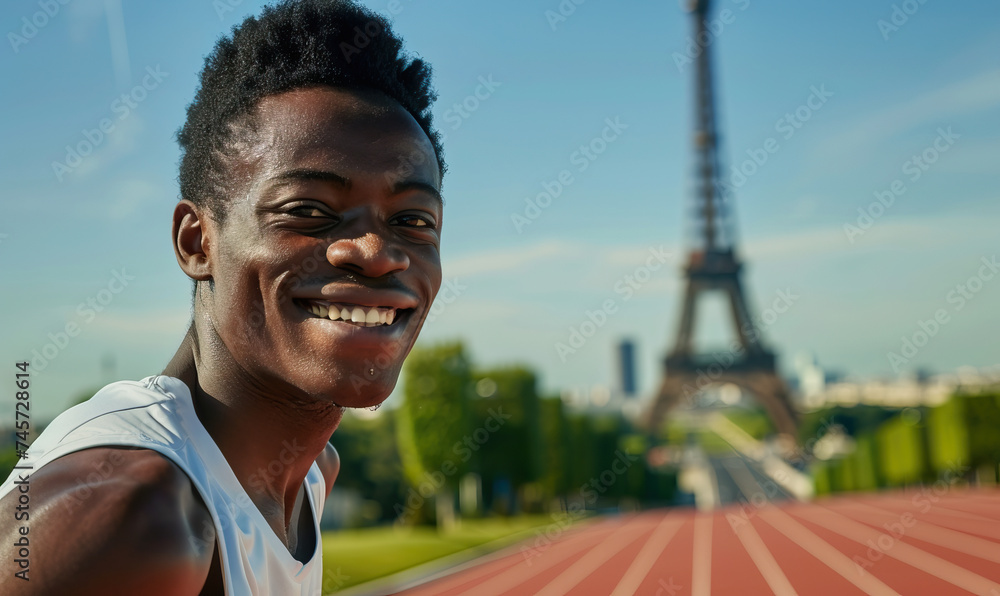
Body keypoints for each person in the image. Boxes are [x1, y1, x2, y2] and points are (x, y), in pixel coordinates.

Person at [0, 0, 445, 593]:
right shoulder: (136, 520)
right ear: (197, 242)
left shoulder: (311, 472)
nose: (376, 252)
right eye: (308, 210)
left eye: (413, 220)